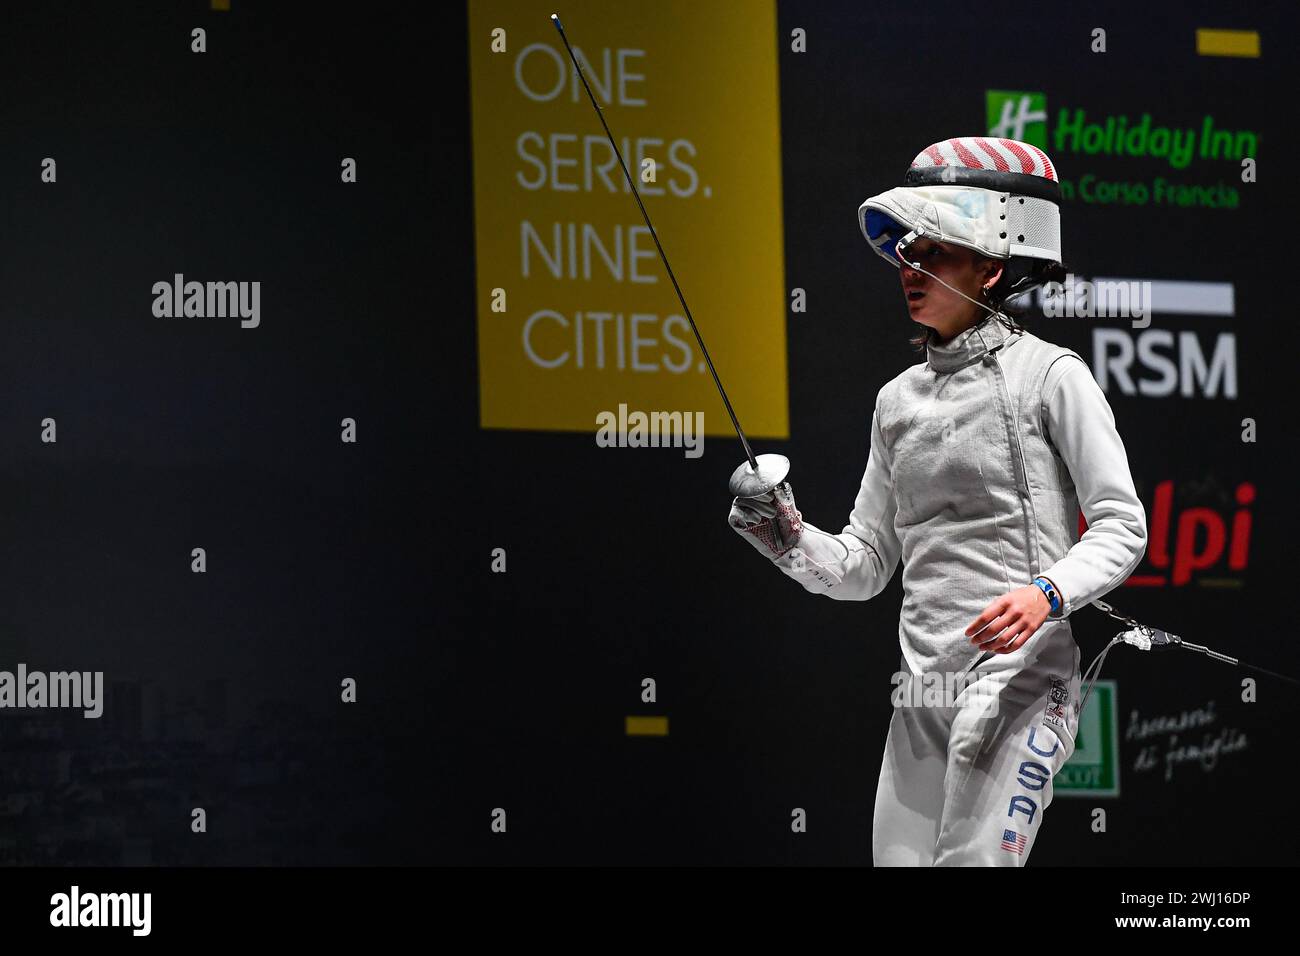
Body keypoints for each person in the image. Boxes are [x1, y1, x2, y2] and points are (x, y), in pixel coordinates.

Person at [728, 137, 1148, 866]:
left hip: (1022, 686)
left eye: (934, 254)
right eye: (906, 254)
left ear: (990, 266)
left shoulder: (1051, 375)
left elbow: (1121, 525)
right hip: (922, 693)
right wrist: (786, 537)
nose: (908, 272)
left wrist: (1046, 594)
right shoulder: (897, 402)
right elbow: (863, 566)